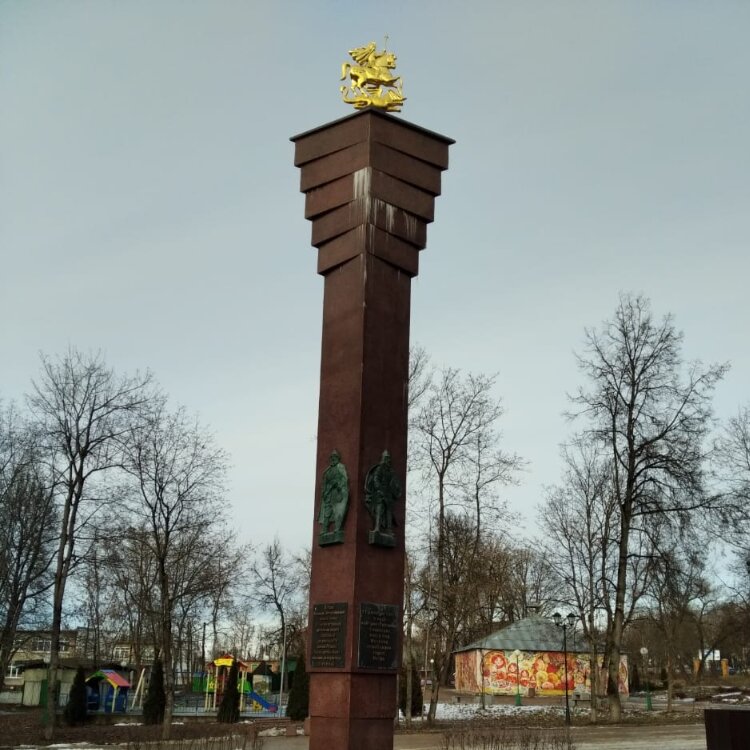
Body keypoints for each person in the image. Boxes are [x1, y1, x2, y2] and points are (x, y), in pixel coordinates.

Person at [364, 450, 401, 533]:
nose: (389, 460)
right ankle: (377, 528)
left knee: (389, 512)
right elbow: (376, 479)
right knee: (379, 509)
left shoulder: (391, 471)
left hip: (389, 494)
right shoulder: (380, 468)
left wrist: (395, 491)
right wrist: (379, 489)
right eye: (387, 458)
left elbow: (394, 483)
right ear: (384, 459)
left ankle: (389, 530)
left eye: (389, 458)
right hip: (380, 492)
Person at [318, 450, 349, 532]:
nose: (332, 459)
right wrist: (324, 492)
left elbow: (344, 478)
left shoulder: (340, 466)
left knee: (338, 511)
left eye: (334, 457)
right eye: (331, 457)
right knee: (327, 512)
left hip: (337, 492)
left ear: (337, 458)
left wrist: (339, 485)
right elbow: (325, 482)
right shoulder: (328, 470)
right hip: (328, 493)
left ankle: (337, 527)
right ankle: (324, 529)